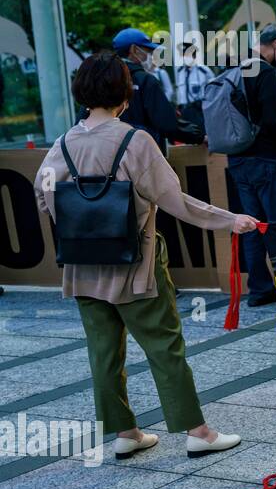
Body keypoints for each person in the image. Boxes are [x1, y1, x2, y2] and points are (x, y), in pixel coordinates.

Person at [36, 52, 257, 459]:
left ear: (82, 93)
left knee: (102, 354)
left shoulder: (63, 144)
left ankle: (125, 433)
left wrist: (79, 222)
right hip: (136, 266)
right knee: (163, 346)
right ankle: (198, 432)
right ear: (125, 93)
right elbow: (174, 200)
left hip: (84, 268)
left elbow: (43, 193)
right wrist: (229, 220)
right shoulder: (134, 140)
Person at [226, 22, 276, 307]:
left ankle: (260, 289)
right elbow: (273, 120)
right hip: (266, 159)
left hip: (237, 159)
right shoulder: (264, 70)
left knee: (251, 225)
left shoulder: (234, 68)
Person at [110, 28, 201, 153]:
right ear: (134, 50)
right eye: (148, 51)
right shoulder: (145, 80)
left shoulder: (104, 80)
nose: (151, 56)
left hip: (112, 156)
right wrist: (198, 136)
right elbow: (167, 123)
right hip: (145, 154)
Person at [173, 42, 214, 132]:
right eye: (183, 55)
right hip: (184, 111)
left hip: (200, 110)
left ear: (194, 56)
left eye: (188, 55)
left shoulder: (204, 71)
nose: (185, 58)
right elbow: (179, 92)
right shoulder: (180, 71)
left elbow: (214, 90)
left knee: (203, 135)